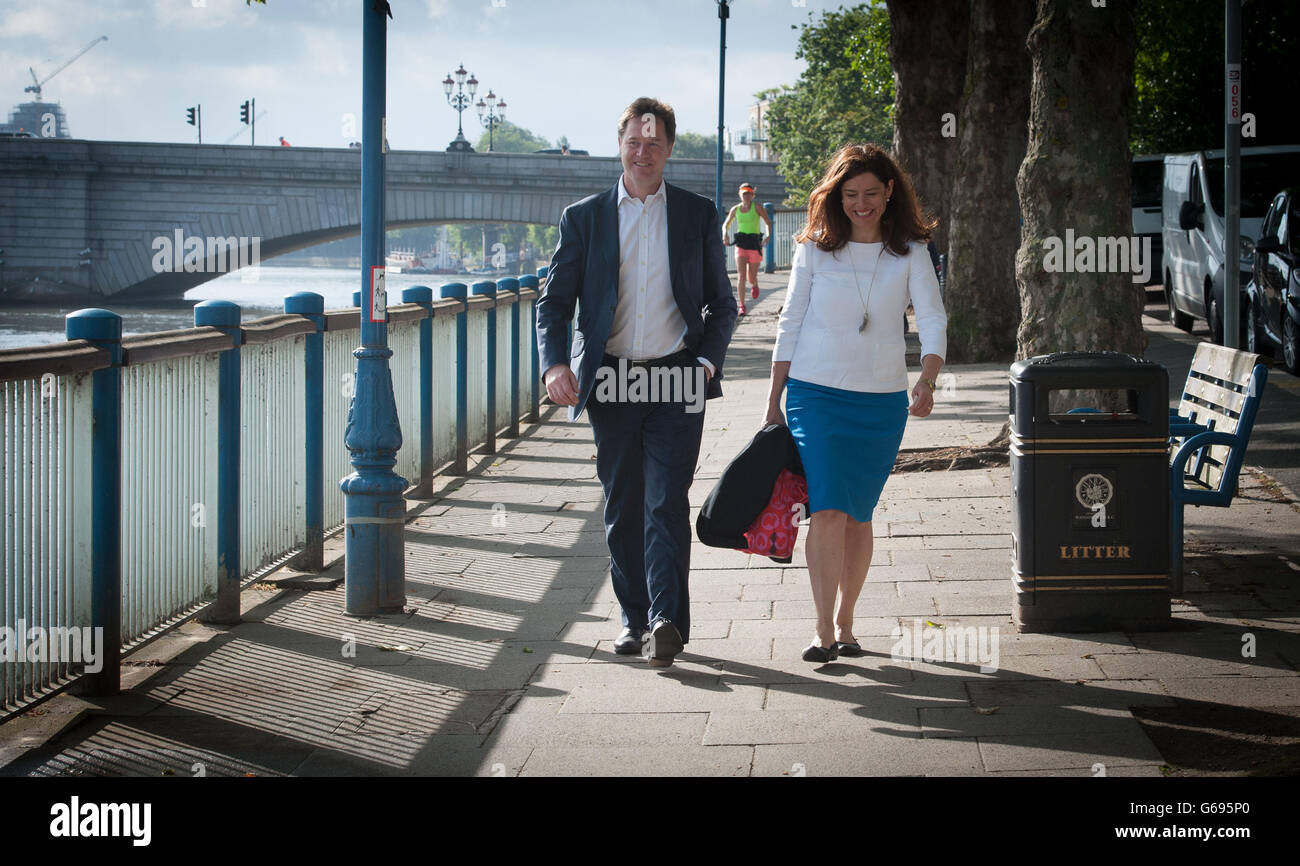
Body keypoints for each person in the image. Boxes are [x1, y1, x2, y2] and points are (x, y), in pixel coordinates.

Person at [536, 97, 737, 668]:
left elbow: (722, 307)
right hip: (613, 379)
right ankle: (632, 617)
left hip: (678, 378)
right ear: (620, 145)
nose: (643, 151)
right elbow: (553, 303)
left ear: (670, 149)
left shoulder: (697, 215)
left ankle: (665, 621)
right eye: (634, 141)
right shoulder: (586, 217)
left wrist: (705, 364)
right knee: (624, 503)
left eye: (654, 142)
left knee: (665, 502)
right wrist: (555, 364)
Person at [764, 143, 947, 662]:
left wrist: (928, 379)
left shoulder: (912, 252)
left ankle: (847, 621)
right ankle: (823, 631)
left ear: (890, 192)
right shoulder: (814, 250)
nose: (861, 204)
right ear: (836, 196)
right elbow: (790, 323)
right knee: (826, 508)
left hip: (881, 402)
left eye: (870, 193)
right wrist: (772, 400)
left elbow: (932, 319)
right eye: (850, 195)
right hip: (814, 395)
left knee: (858, 514)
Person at [722, 184, 772, 316]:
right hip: (741, 244)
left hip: (754, 244)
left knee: (751, 276)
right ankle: (742, 306)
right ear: (740, 194)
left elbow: (767, 222)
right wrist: (724, 234)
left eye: (749, 193)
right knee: (742, 276)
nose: (746, 195)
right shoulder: (736, 209)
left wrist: (767, 235)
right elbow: (726, 224)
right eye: (744, 193)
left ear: (752, 195)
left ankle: (754, 284)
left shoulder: (757, 207)